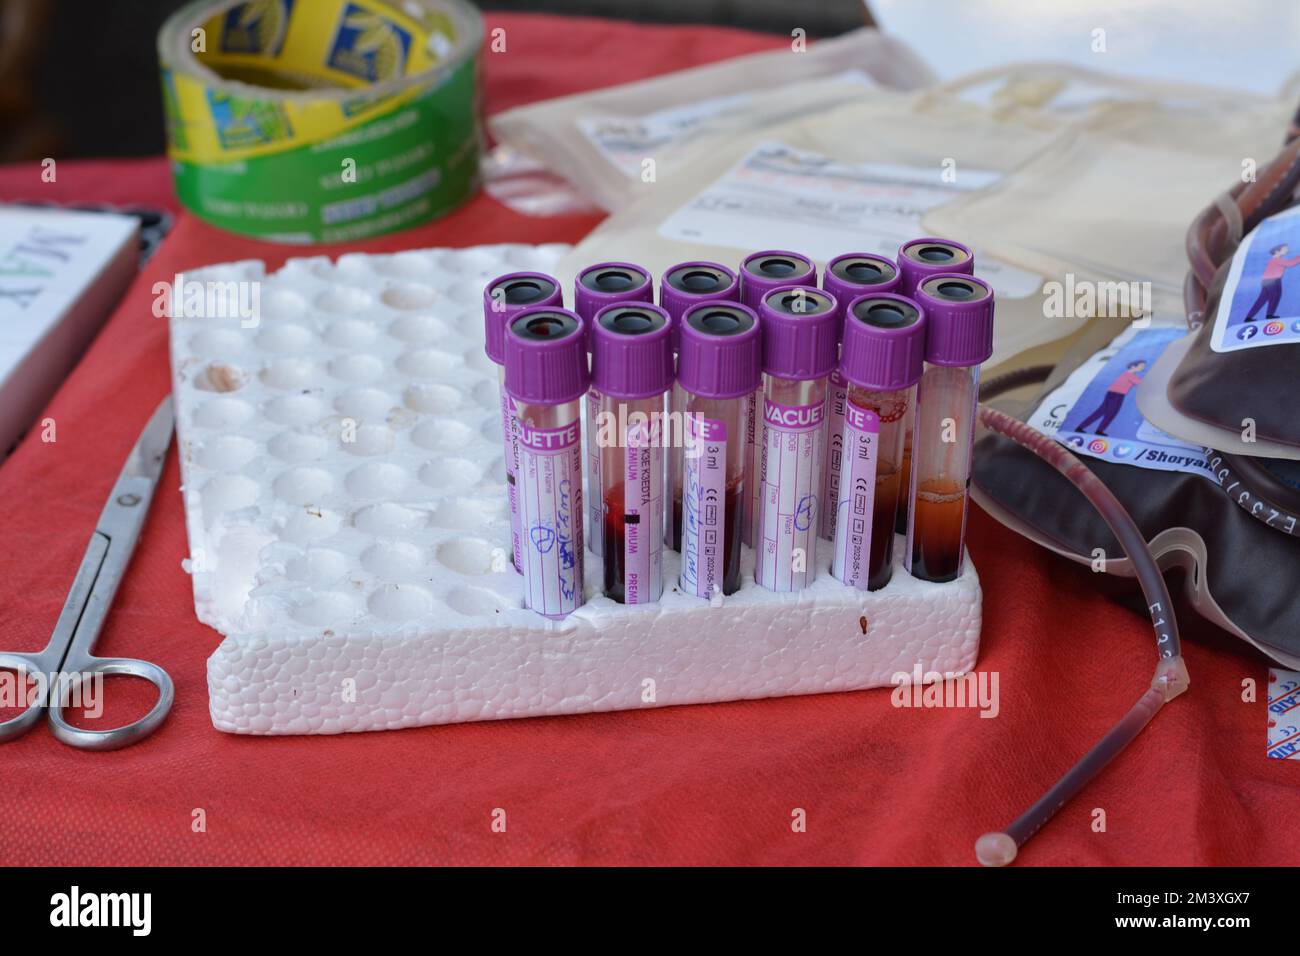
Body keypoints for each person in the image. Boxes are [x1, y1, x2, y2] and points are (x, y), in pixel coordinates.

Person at [1075, 360, 1146, 437]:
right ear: (1133, 366)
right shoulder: (1130, 375)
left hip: (1112, 394)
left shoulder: (1127, 374)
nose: (1142, 368)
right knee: (1110, 413)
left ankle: (1083, 427)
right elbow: (1140, 382)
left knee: (1101, 412)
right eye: (1141, 366)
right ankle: (1098, 430)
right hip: (1117, 395)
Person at [1244, 243, 1300, 320]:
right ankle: (1269, 315)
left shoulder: (1275, 260)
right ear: (1277, 251)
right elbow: (1290, 263)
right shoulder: (1277, 260)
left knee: (1262, 299)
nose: (1287, 250)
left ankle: (1249, 317)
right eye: (1285, 249)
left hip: (1268, 281)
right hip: (1273, 281)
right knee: (1274, 297)